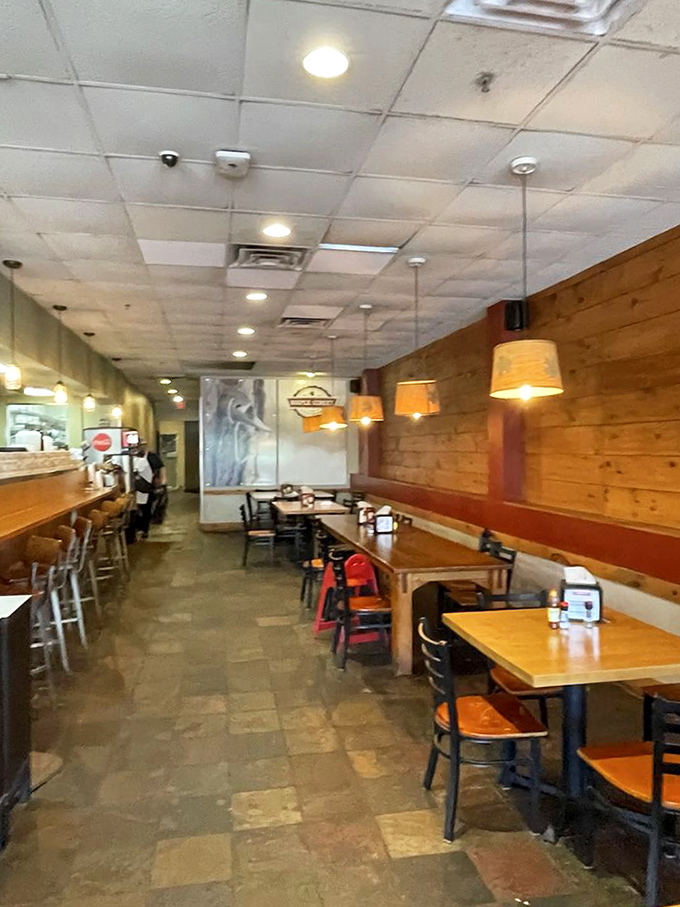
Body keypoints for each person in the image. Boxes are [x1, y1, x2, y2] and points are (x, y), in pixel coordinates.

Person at [133, 441, 155, 539]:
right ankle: (139, 529)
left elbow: (158, 470)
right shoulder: (132, 459)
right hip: (138, 489)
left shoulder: (151, 457)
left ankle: (144, 530)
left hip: (146, 489)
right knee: (138, 511)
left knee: (146, 510)